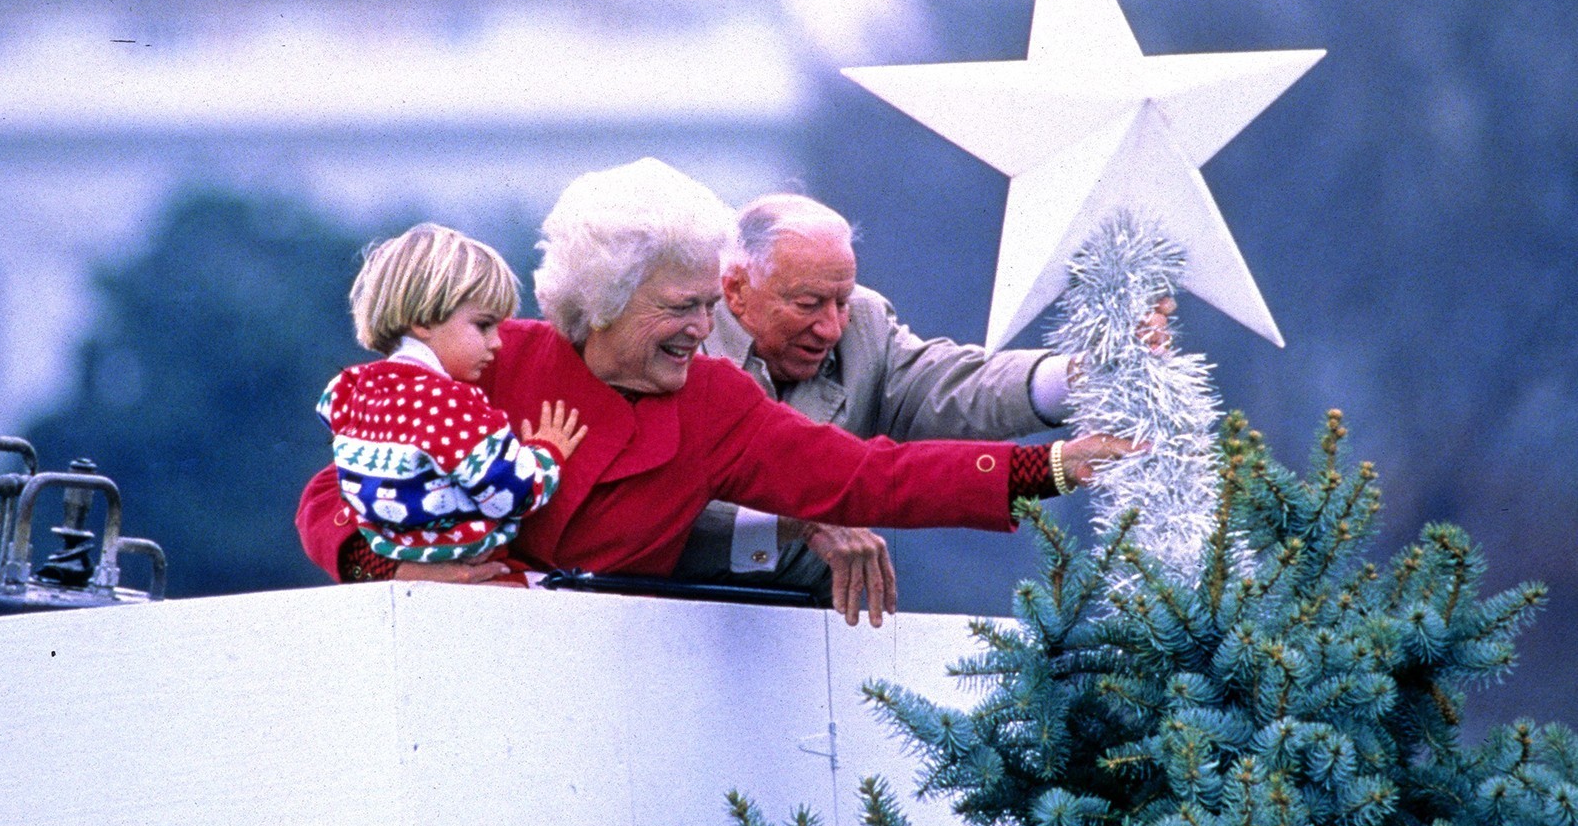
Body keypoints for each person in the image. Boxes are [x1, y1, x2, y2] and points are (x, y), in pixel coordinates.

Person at [295, 158, 1139, 588]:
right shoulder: (490, 362)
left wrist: (1055, 467)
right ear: (605, 301)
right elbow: (333, 497)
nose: (707, 330)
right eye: (682, 308)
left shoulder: (714, 402)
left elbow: (868, 477)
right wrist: (398, 569)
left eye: (711, 305)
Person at [675, 192, 1171, 626]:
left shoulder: (864, 325)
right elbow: (653, 507)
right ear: (735, 290)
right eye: (808, 304)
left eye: (841, 302)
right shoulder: (676, 343)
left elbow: (955, 386)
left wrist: (1084, 375)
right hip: (652, 622)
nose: (831, 328)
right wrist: (799, 523)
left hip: (810, 633)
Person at [318, 223, 588, 568]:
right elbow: (512, 494)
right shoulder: (450, 406)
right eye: (483, 325)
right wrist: (547, 452)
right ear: (424, 321)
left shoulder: (348, 387)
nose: (498, 342)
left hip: (386, 549)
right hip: (457, 556)